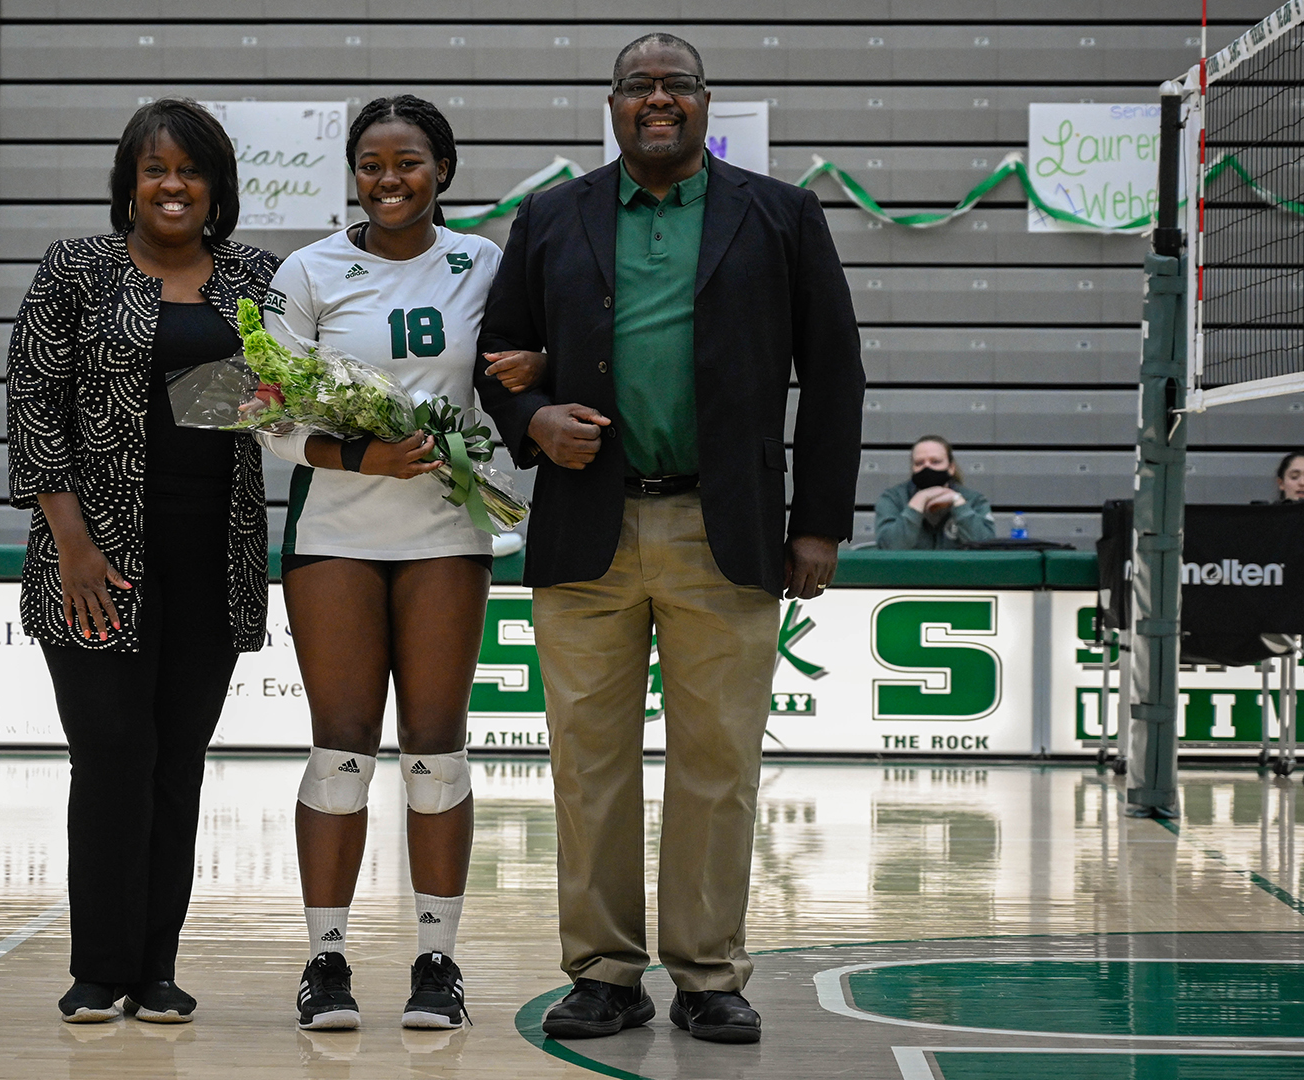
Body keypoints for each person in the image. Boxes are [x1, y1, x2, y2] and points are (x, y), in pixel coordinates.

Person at [475, 33, 863, 1045]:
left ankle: (706, 973)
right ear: (611, 105)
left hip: (722, 527)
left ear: (705, 102)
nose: (658, 99)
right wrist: (531, 423)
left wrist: (817, 521)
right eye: (639, 86)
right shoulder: (552, 216)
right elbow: (499, 360)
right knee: (588, 765)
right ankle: (603, 971)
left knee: (717, 763)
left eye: (676, 85)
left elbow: (835, 375)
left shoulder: (780, 215)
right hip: (585, 528)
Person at [263, 94, 539, 1034]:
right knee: (340, 748)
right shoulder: (308, 270)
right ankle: (327, 962)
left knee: (435, 748)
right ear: (354, 174)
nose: (390, 180)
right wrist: (358, 456)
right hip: (335, 528)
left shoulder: (487, 263)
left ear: (443, 172)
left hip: (445, 533)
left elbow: (516, 371)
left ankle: (436, 963)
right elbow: (266, 412)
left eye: (409, 162)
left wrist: (530, 371)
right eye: (372, 164)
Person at [6, 98, 279, 1027]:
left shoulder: (255, 278)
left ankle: (156, 970)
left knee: (178, 766)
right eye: (156, 168)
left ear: (217, 187)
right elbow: (35, 405)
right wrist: (72, 544)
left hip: (214, 556)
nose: (173, 185)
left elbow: (264, 408)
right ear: (129, 181)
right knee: (113, 755)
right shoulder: (74, 270)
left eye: (191, 170)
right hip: (93, 560)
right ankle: (99, 967)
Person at [872, 435, 995, 549]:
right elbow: (888, 547)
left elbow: (986, 546)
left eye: (935, 462)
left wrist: (958, 503)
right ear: (912, 468)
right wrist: (917, 502)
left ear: (951, 468)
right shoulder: (893, 498)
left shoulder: (974, 499)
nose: (927, 467)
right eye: (919, 463)